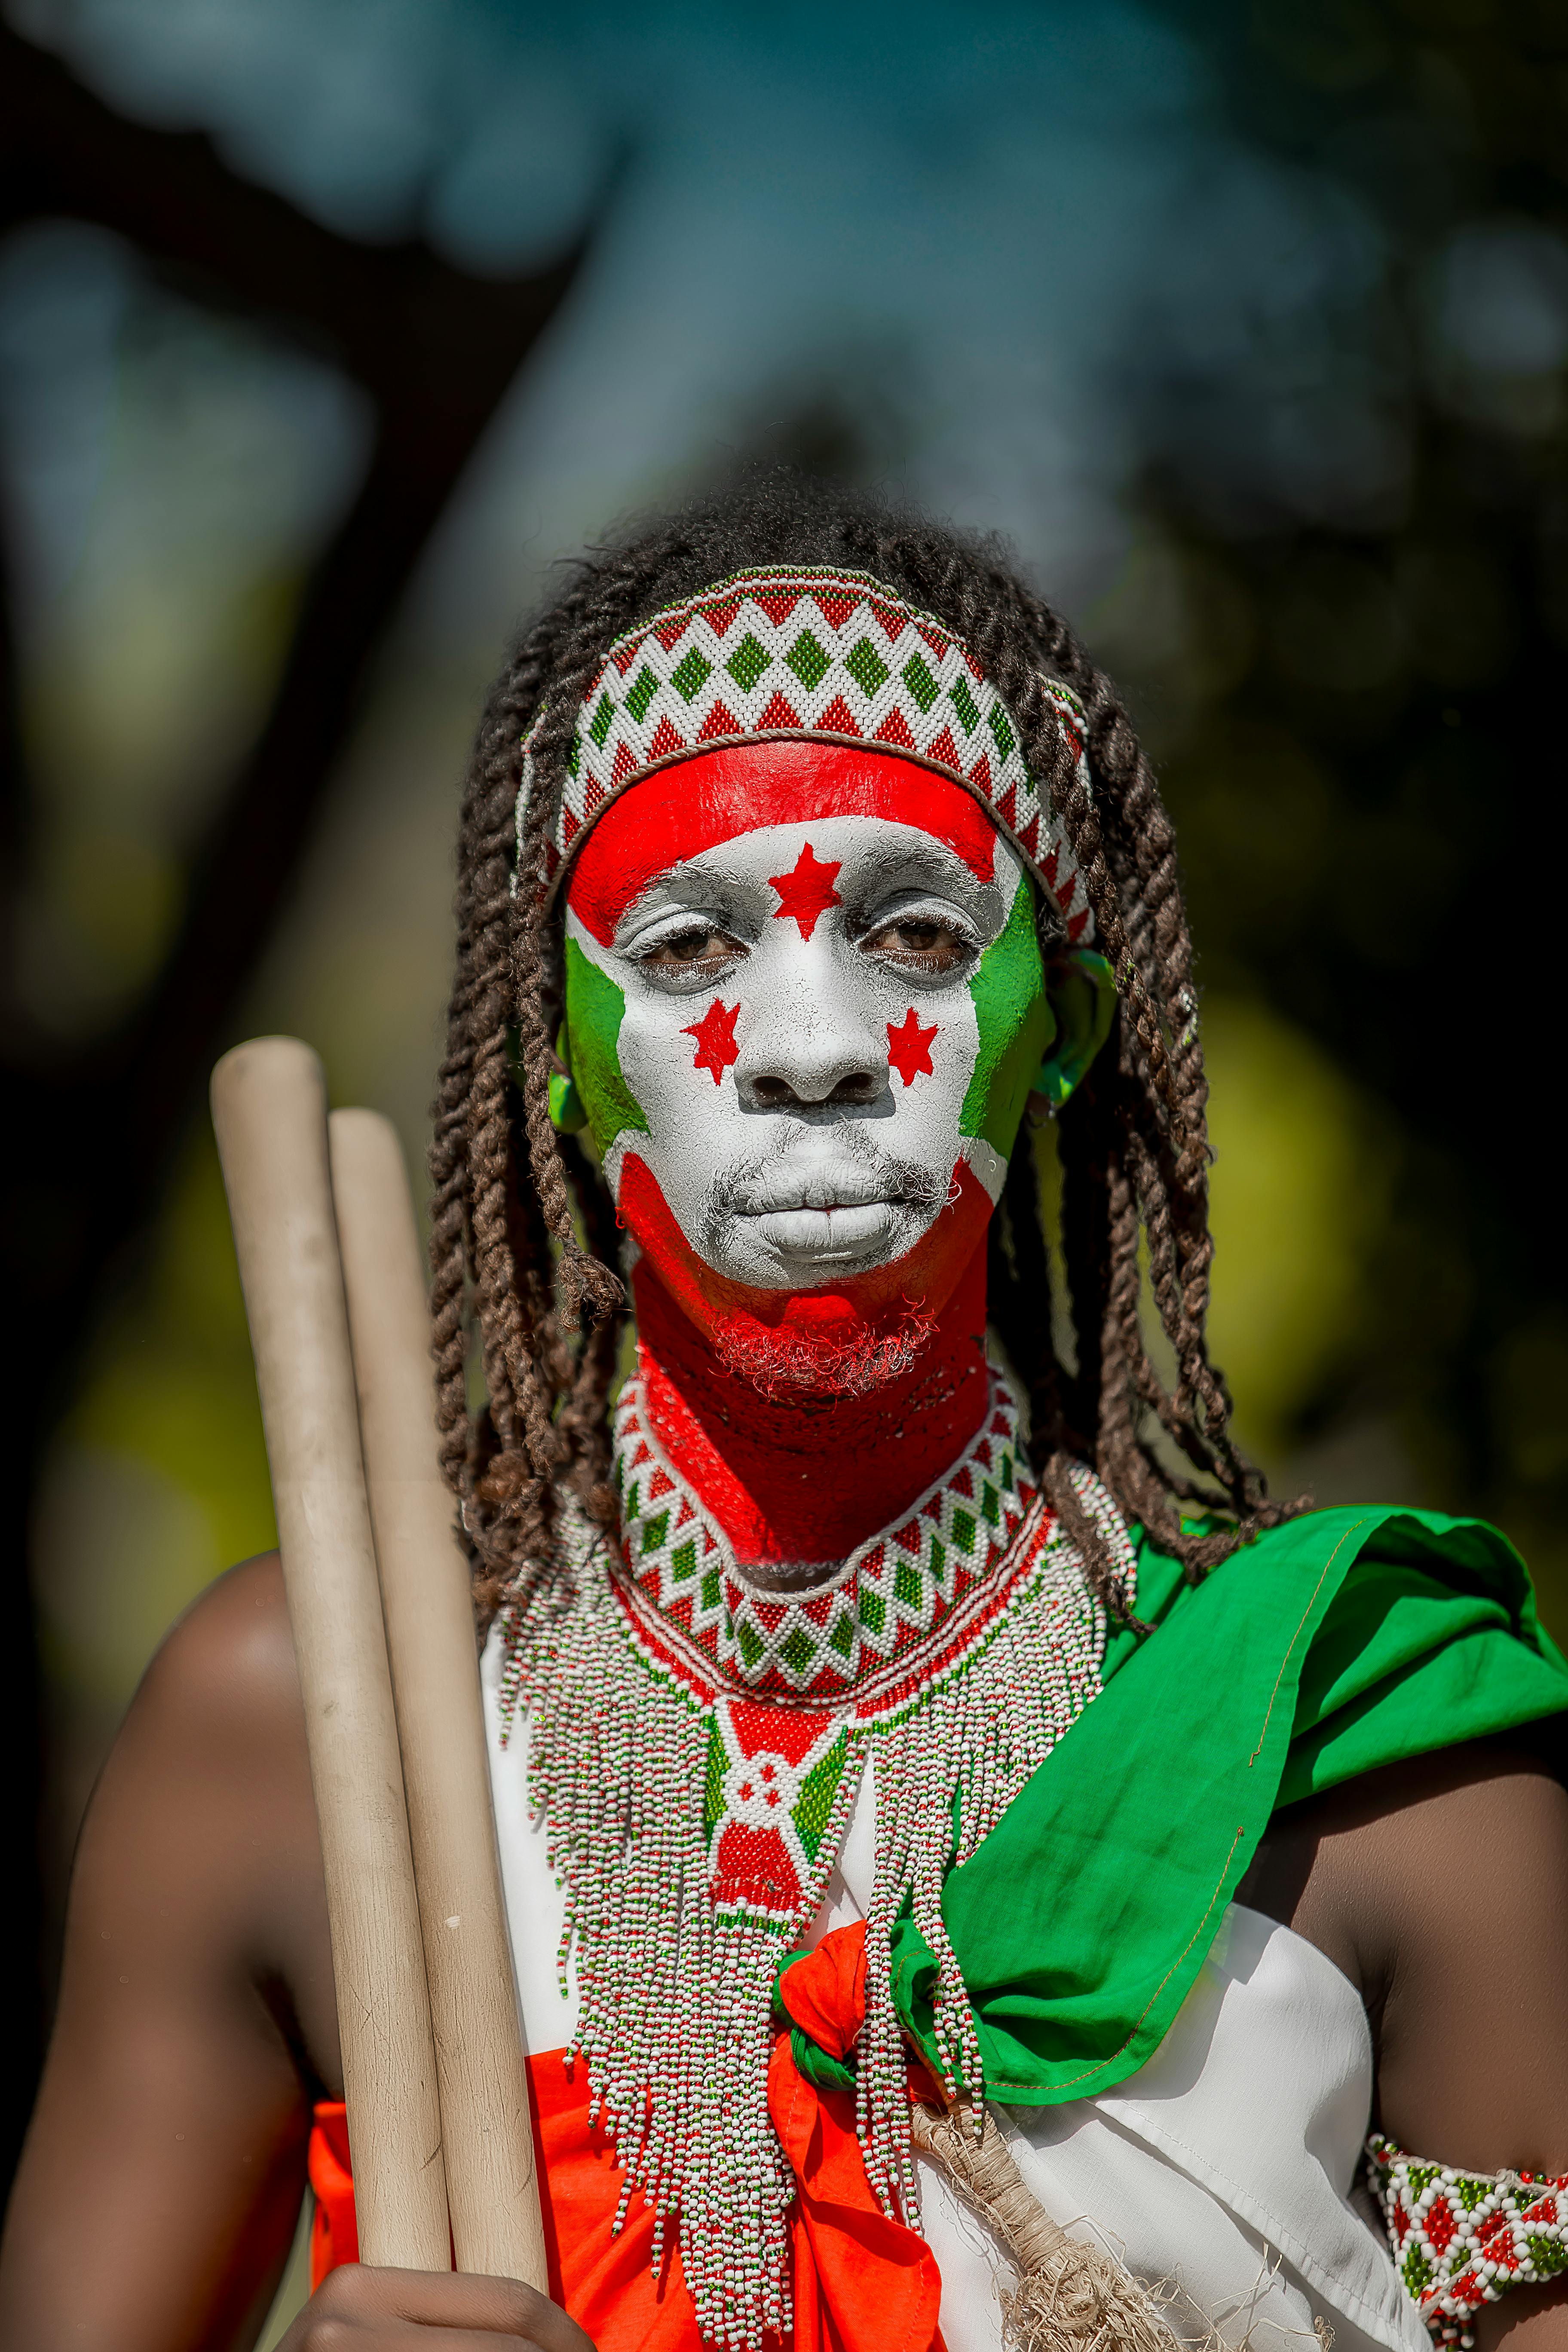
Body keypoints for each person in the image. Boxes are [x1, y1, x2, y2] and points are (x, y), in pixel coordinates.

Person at [3, 477, 1567, 2352]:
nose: (814, 1047)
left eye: (913, 936)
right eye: (683, 952)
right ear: (565, 1072)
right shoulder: (302, 1722)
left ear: (1058, 1024)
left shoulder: (1375, 1753)